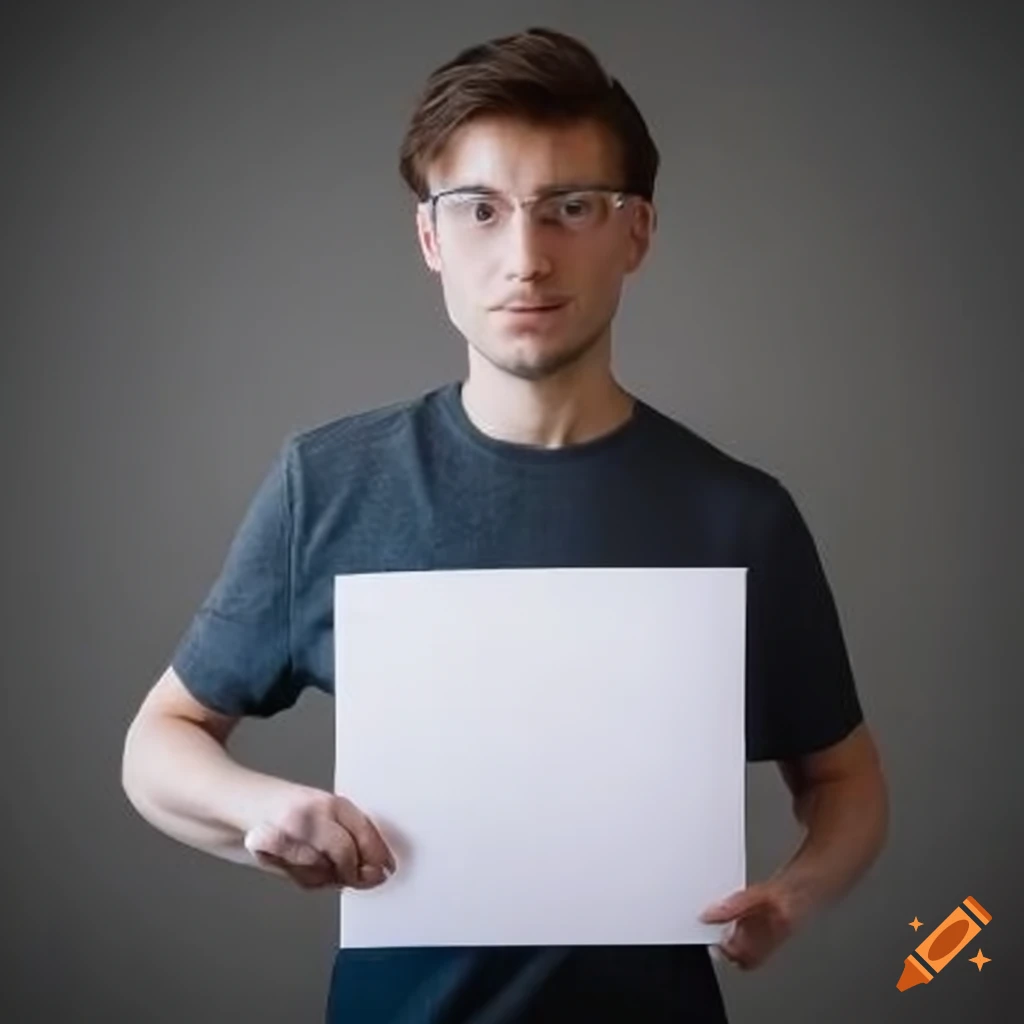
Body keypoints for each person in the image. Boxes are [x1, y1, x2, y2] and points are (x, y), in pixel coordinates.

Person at [121, 25, 888, 1024]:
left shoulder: (736, 515)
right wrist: (263, 808)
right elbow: (158, 743)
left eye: (571, 208)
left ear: (637, 234)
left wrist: (791, 895)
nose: (525, 256)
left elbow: (845, 780)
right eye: (480, 209)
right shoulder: (331, 483)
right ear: (431, 238)